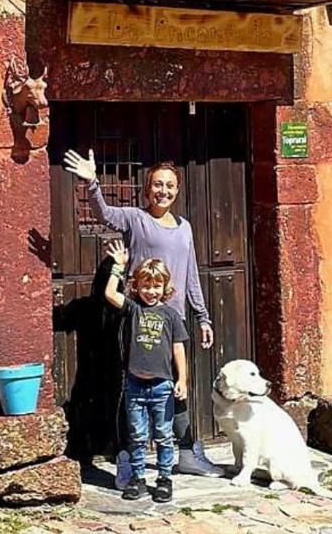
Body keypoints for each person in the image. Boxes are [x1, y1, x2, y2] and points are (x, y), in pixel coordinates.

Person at [63, 149, 224, 482]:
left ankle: (186, 452)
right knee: (128, 389)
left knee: (175, 388)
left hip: (171, 323)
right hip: (136, 322)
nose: (163, 191)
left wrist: (203, 316)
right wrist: (92, 183)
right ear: (146, 189)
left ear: (177, 191)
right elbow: (105, 214)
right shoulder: (136, 219)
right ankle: (125, 457)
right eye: (157, 185)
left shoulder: (184, 228)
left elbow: (190, 274)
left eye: (169, 186)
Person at [102, 240, 187, 502]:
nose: (151, 291)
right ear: (137, 287)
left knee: (163, 435)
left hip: (162, 386)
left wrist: (182, 378)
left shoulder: (170, 315)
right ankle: (138, 478)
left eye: (157, 286)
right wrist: (118, 267)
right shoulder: (134, 309)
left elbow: (178, 349)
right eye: (146, 286)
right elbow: (110, 295)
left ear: (165, 288)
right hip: (135, 386)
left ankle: (164, 478)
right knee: (137, 436)